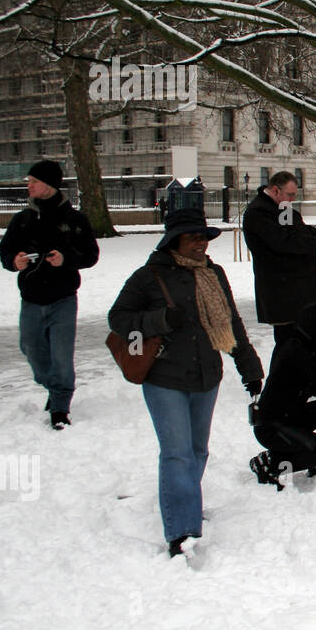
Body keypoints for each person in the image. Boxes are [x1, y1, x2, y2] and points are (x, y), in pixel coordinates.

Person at [109, 207, 263, 558]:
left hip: (207, 375)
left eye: (204, 238)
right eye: (193, 237)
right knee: (177, 453)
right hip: (165, 378)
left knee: (197, 451)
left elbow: (232, 323)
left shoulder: (214, 273)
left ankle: (187, 504)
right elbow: (118, 319)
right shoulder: (149, 276)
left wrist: (249, 367)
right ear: (174, 240)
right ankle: (182, 530)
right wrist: (160, 319)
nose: (201, 244)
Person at [0, 160, 100, 430]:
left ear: (49, 185)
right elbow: (5, 251)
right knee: (30, 348)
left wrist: (65, 259)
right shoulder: (22, 220)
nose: (28, 185)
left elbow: (91, 256)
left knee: (62, 355)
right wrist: (14, 261)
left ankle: (60, 408)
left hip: (63, 299)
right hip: (31, 299)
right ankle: (54, 388)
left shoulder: (75, 221)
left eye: (33, 181)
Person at [249, 302, 316, 487]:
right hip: (272, 426)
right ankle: (271, 464)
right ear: (314, 329)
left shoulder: (306, 345)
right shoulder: (296, 351)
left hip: (290, 417)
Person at [243, 171, 316, 344]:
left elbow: (297, 231)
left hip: (299, 291)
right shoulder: (258, 212)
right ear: (275, 190)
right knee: (287, 345)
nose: (292, 199)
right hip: (283, 293)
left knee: (303, 343)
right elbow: (282, 241)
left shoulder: (282, 208)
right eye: (289, 194)